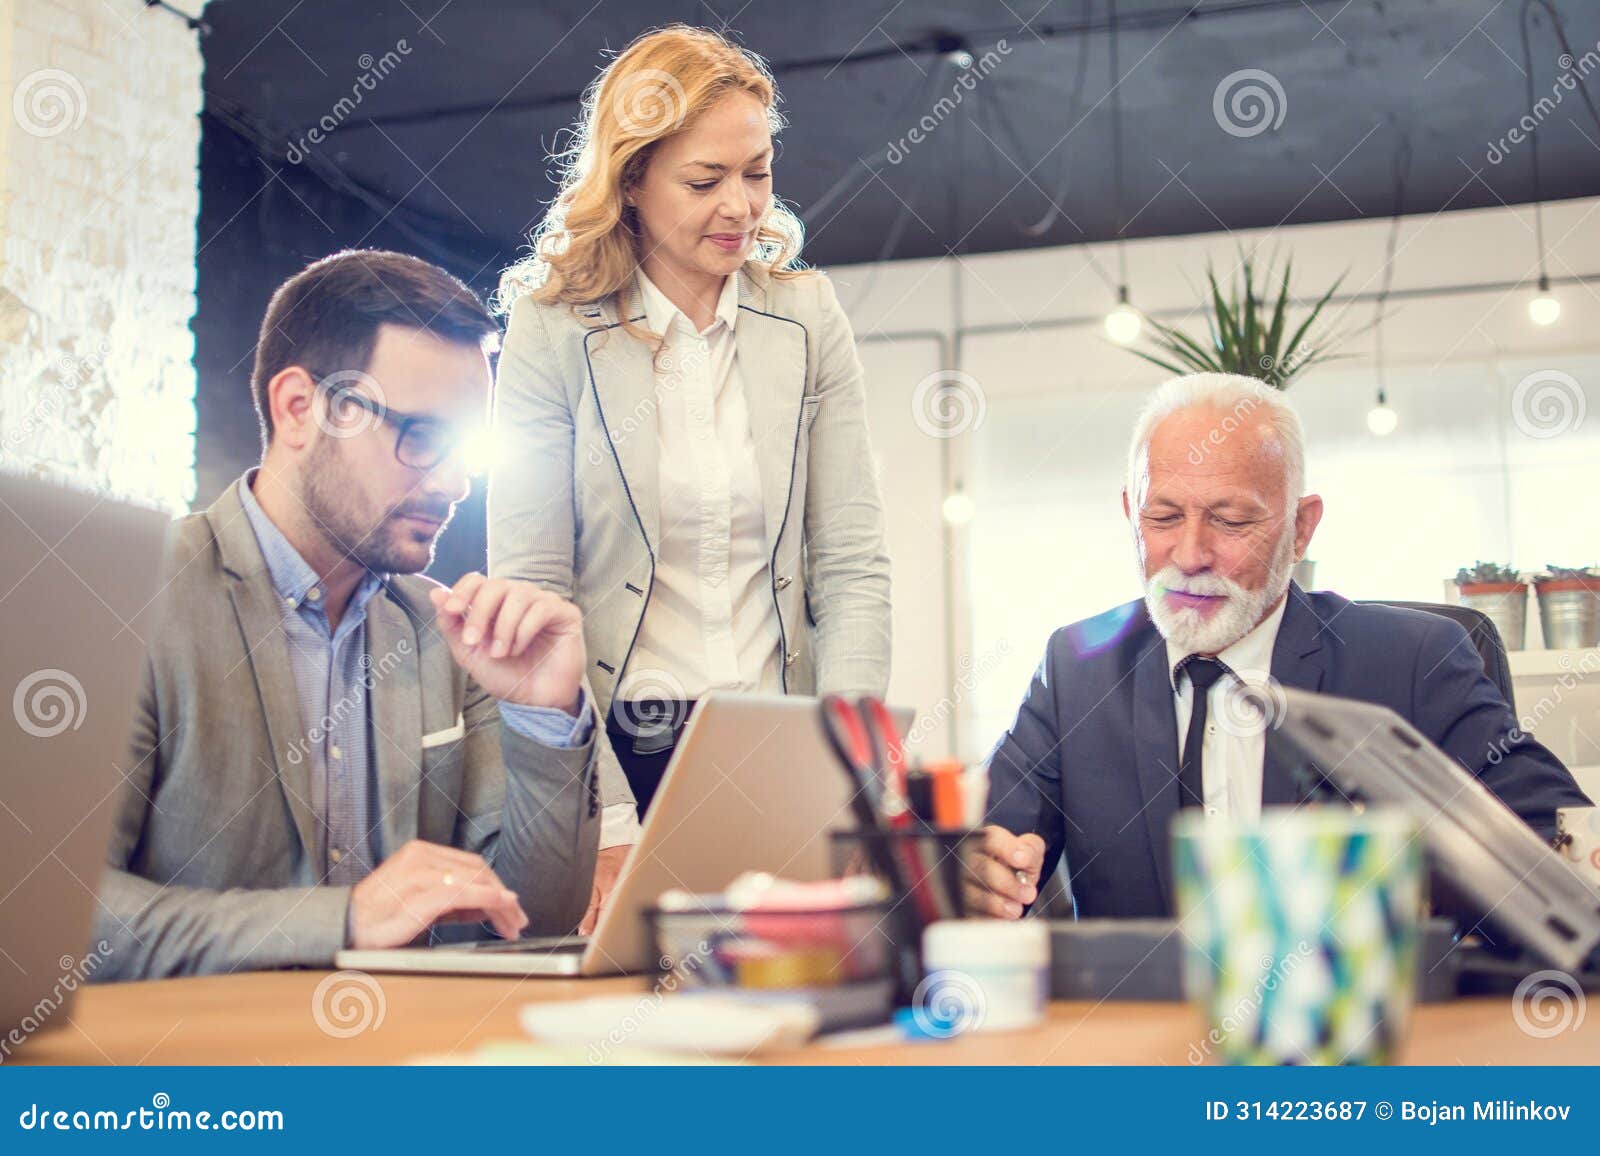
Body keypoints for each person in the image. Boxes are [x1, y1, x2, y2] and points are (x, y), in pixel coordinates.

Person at [94, 250, 603, 980]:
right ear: (300, 409)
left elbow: (528, 920)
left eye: (467, 450)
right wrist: (343, 921)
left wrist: (545, 717)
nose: (454, 484)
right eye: (421, 437)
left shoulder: (444, 629)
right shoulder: (126, 594)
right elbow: (61, 917)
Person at [489, 24, 893, 910]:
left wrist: (856, 779)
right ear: (629, 181)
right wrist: (609, 821)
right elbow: (533, 587)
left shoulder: (808, 317)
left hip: (785, 741)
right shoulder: (552, 333)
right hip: (622, 750)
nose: (742, 207)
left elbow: (852, 565)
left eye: (758, 172)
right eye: (705, 181)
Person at [967, 372, 1591, 920]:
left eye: (1231, 520)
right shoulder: (1077, 668)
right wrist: (974, 874)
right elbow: (985, 846)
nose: (1190, 556)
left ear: (1300, 528)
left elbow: (1558, 841)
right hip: (1142, 1038)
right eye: (1162, 519)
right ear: (1131, 514)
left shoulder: (1411, 661)